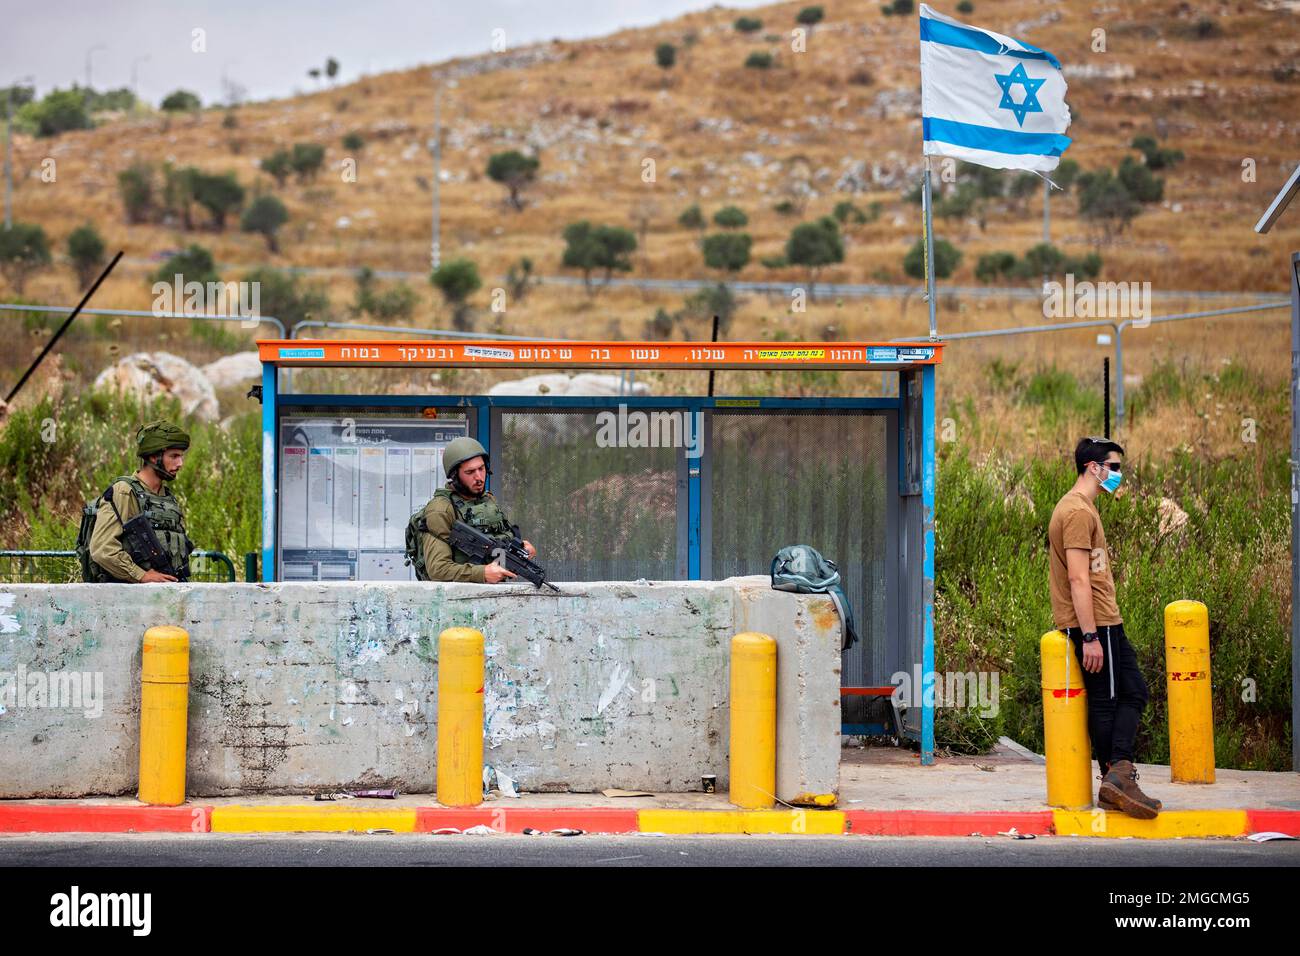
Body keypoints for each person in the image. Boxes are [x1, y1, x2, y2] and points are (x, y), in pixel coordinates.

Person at [1047, 436, 1162, 819]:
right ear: (1092, 468)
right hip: (1095, 624)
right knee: (1108, 701)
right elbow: (1079, 579)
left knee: (1133, 691)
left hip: (1106, 621)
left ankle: (1117, 775)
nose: (1118, 474)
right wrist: (1091, 637)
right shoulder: (1077, 512)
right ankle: (1116, 775)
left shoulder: (1083, 509)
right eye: (1113, 467)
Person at [416, 436, 535, 584]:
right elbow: (438, 569)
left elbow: (494, 544)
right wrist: (482, 574)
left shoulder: (487, 499)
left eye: (481, 468)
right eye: (470, 472)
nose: (479, 477)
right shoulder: (441, 509)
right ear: (455, 476)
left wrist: (520, 549)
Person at [88, 419, 194, 583]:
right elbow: (102, 548)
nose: (180, 463)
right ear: (153, 457)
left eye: (181, 456)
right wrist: (141, 575)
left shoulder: (168, 497)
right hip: (132, 598)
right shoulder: (124, 491)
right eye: (174, 456)